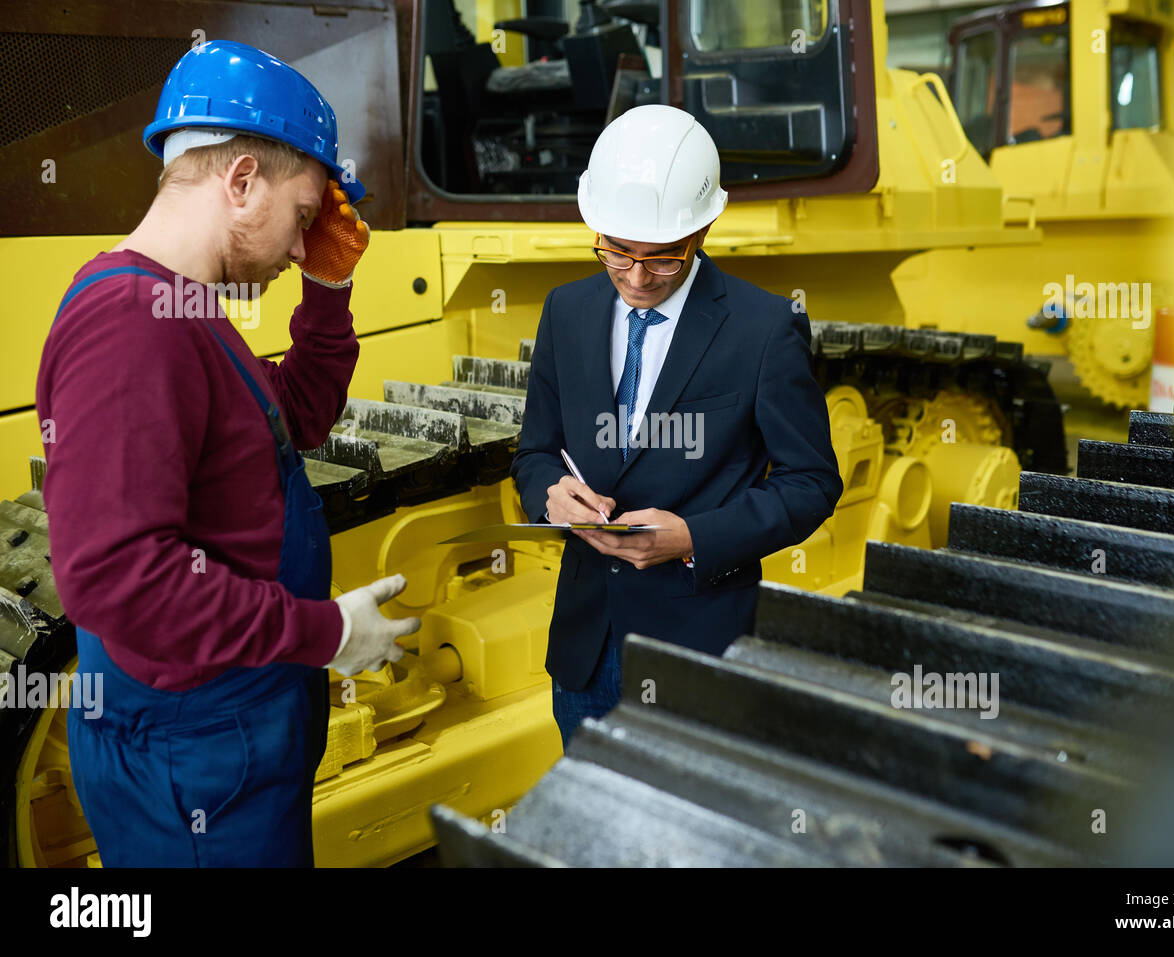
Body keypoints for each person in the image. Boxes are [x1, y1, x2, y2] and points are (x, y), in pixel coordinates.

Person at [34, 40, 420, 867]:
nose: (296, 247)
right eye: (301, 217)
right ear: (241, 180)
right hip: (194, 756)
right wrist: (323, 633)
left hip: (226, 728)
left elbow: (295, 421)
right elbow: (115, 576)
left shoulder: (182, 308)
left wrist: (328, 288)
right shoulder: (133, 325)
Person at [511, 105, 842, 750]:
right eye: (617, 253)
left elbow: (811, 482)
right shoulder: (567, 310)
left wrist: (694, 536)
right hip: (586, 645)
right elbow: (535, 454)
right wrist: (549, 494)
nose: (636, 278)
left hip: (701, 643)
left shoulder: (763, 327)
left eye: (663, 259)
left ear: (704, 228)